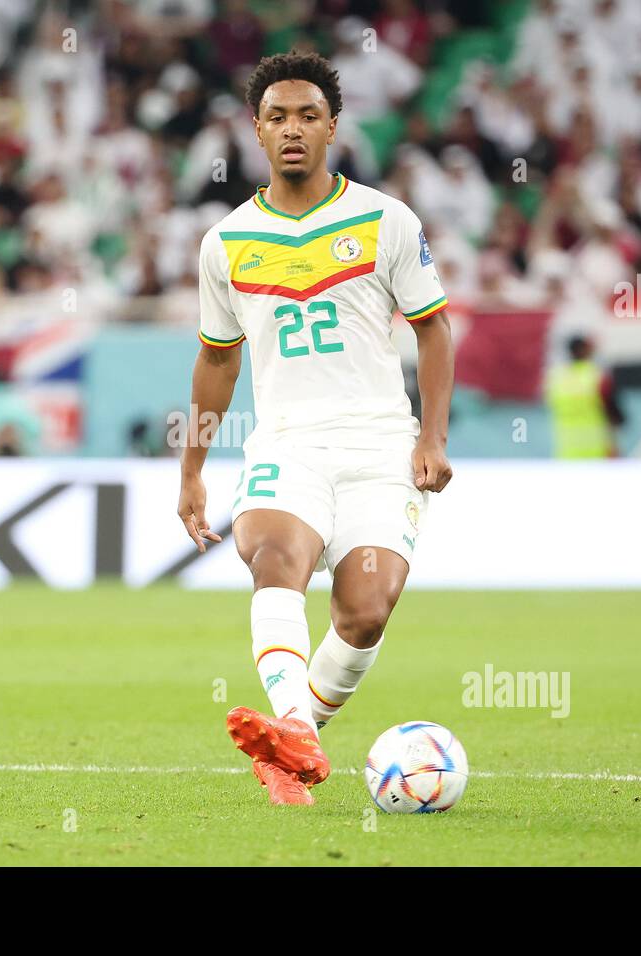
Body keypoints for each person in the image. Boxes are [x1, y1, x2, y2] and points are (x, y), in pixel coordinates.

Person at [176, 53, 455, 806]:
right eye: (277, 118)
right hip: (287, 443)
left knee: (365, 612)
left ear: (332, 126)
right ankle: (294, 727)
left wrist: (432, 437)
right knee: (274, 558)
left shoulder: (384, 220)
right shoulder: (225, 244)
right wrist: (193, 467)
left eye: (307, 116)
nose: (292, 129)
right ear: (256, 132)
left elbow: (433, 331)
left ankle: (295, 744)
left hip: (377, 443)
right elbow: (216, 363)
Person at [545, 335, 624, 458]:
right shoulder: (597, 377)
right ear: (583, 350)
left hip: (567, 453)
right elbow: (616, 417)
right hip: (597, 452)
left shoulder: (556, 378)